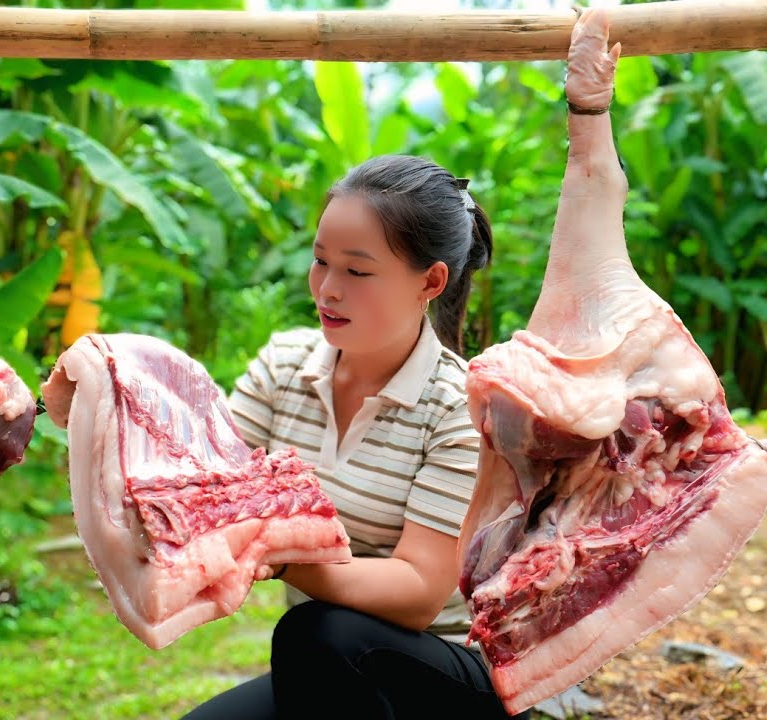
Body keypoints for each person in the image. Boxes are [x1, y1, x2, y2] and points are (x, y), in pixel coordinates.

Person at [180, 7, 623, 719]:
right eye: (321, 261)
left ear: (431, 282)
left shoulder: (458, 408)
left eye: (357, 271)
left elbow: (417, 595)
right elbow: (204, 484)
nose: (327, 288)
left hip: (451, 675)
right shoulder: (282, 366)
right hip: (332, 665)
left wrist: (271, 550)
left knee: (319, 631)